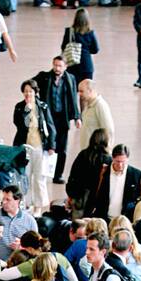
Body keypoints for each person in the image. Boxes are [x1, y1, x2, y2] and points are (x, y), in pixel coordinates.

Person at [12, 82, 57, 214]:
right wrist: (27, 110)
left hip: (39, 147)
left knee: (39, 177)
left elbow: (50, 125)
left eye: (30, 91)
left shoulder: (42, 106)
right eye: (25, 91)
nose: (28, 94)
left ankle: (38, 206)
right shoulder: (19, 107)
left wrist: (52, 145)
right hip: (24, 147)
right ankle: (25, 204)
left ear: (35, 92)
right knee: (24, 176)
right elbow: (18, 124)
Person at [36, 54, 81, 184]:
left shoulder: (70, 79)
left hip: (62, 118)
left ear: (65, 67)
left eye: (60, 66)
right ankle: (43, 173)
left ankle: (58, 174)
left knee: (62, 148)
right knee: (47, 145)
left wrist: (77, 117)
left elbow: (73, 99)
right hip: (48, 118)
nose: (57, 68)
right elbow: (30, 84)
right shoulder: (44, 77)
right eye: (55, 65)